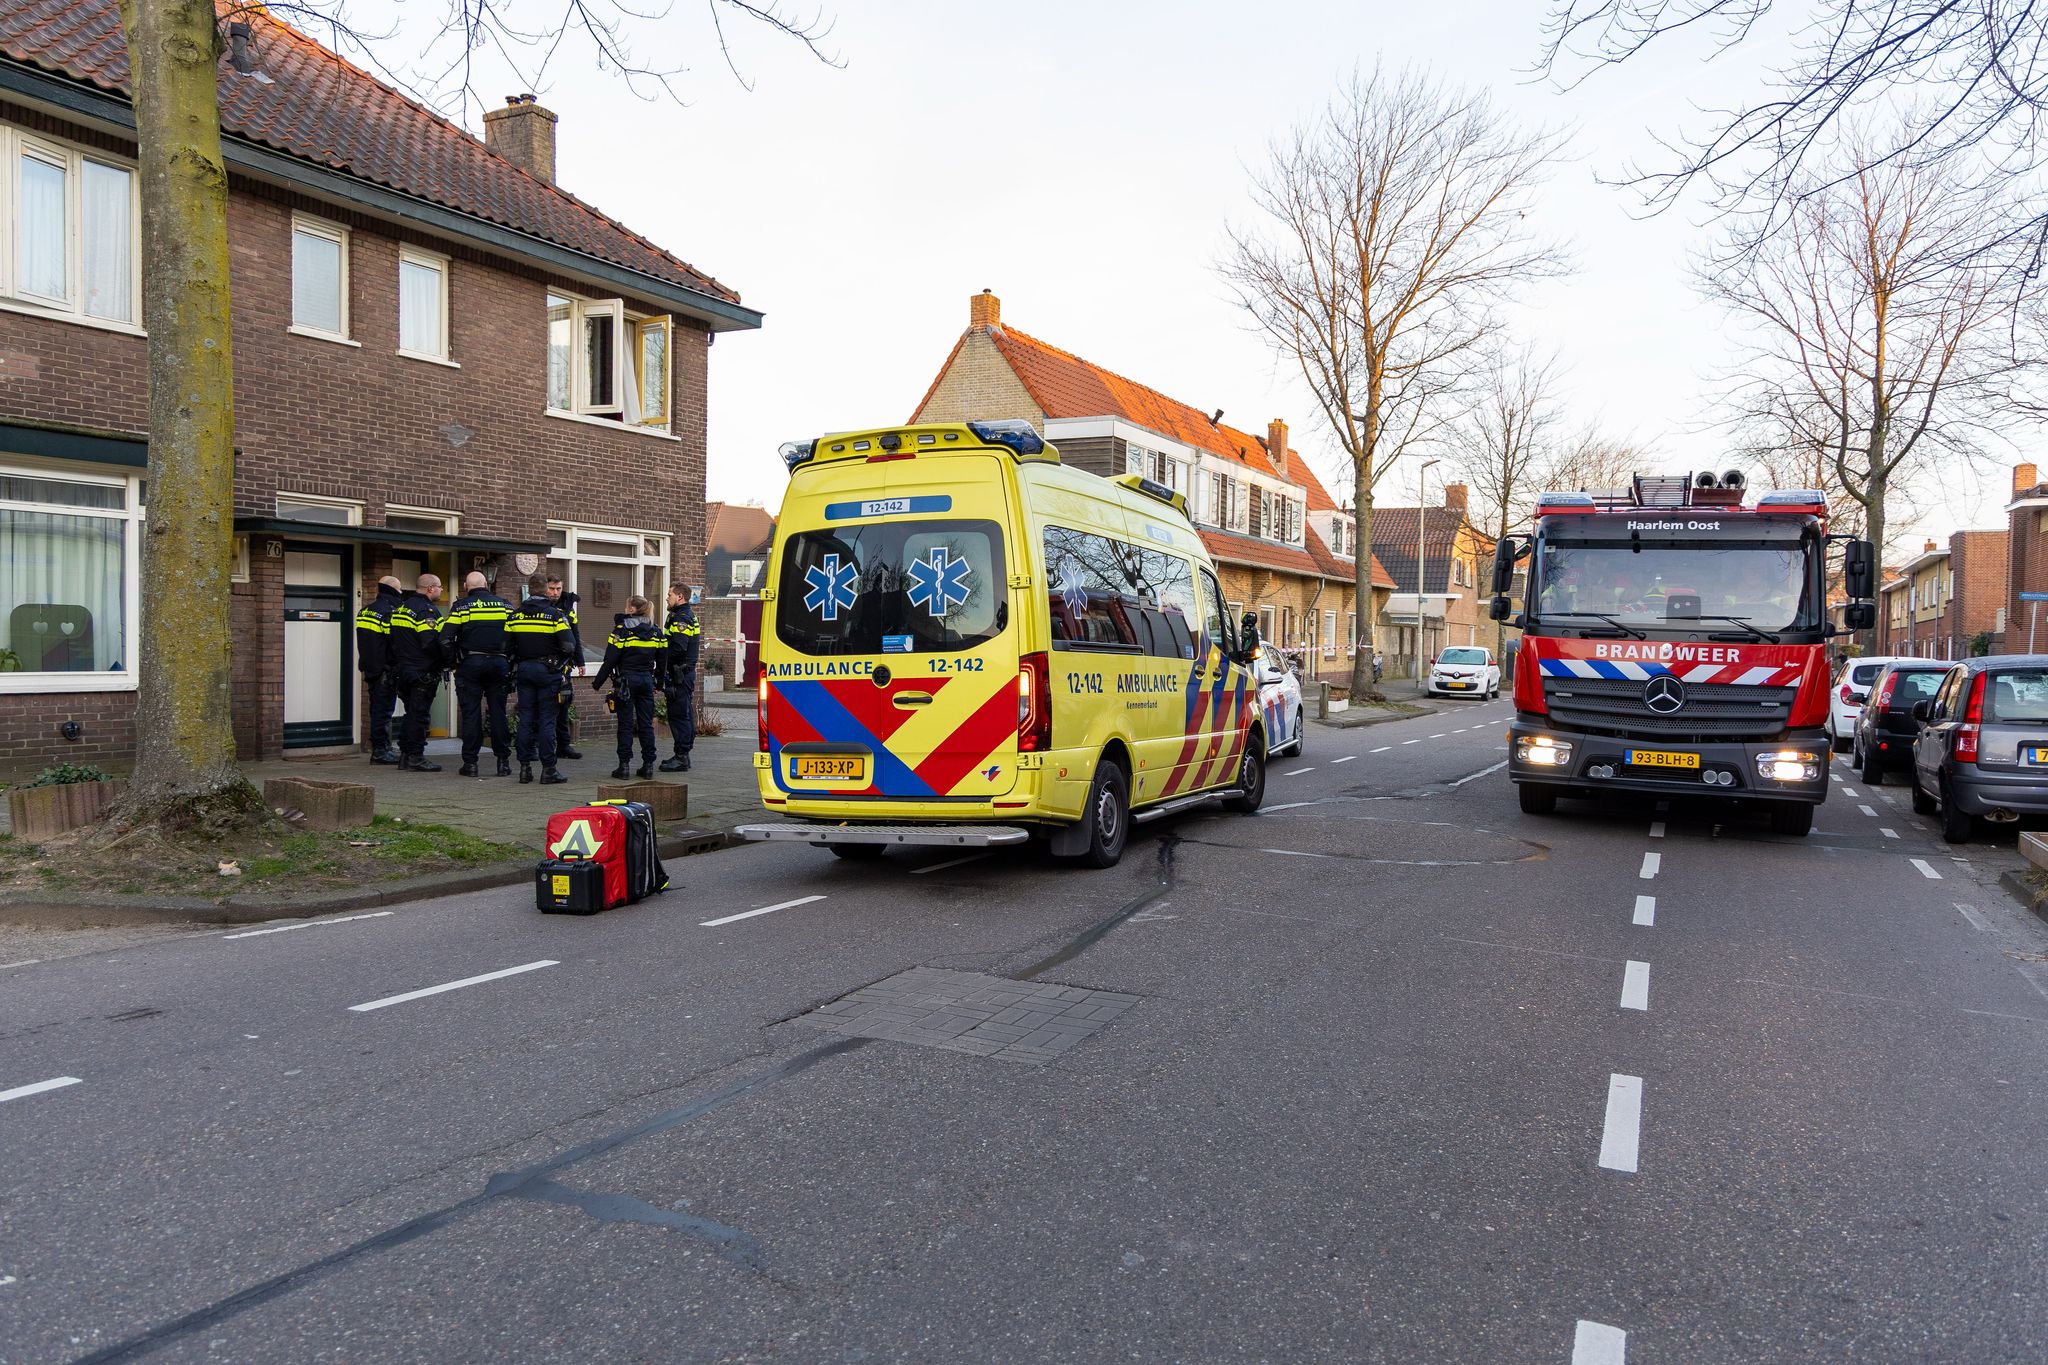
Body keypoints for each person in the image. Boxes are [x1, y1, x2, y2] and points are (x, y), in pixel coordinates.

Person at [440, 571, 514, 778]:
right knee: (498, 712)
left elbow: (445, 639)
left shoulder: (462, 607)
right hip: (499, 663)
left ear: (466, 586)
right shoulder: (505, 606)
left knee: (471, 714)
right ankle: (503, 763)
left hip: (470, 664)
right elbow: (516, 635)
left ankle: (470, 764)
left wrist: (451, 662)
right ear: (487, 584)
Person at [506, 577, 574, 784]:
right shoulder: (555, 616)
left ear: (529, 592)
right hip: (548, 671)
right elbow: (569, 646)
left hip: (524, 670)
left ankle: (524, 769)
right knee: (547, 720)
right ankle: (548, 769)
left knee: (526, 718)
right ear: (546, 591)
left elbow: (506, 647)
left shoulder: (514, 616)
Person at [590, 595, 666, 779]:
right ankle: (648, 766)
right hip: (646, 681)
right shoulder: (656, 631)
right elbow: (663, 661)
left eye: (626, 607)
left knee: (625, 724)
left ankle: (623, 767)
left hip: (626, 682)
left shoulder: (621, 630)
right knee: (646, 724)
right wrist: (659, 682)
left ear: (631, 609)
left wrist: (597, 682)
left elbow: (610, 659)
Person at [388, 573, 446, 772]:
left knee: (410, 713)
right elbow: (430, 641)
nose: (441, 590)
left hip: (403, 670)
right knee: (419, 715)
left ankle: (405, 755)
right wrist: (445, 660)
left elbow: (392, 640)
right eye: (439, 587)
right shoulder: (427, 611)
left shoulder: (401, 608)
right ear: (430, 588)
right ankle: (416, 757)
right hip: (422, 671)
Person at [354, 575, 404, 764]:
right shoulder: (390, 612)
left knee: (376, 709)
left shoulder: (365, 611)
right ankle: (381, 751)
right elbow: (393, 644)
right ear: (393, 590)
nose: (400, 594)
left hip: (370, 668)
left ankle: (381, 747)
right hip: (386, 669)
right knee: (383, 712)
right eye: (399, 590)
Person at [542, 576, 585, 759]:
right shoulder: (540, 607)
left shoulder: (568, 608)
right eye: (552, 588)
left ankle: (564, 745)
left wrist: (581, 662)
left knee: (563, 705)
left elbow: (575, 635)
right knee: (543, 707)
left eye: (558, 589)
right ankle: (541, 745)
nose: (555, 593)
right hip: (544, 664)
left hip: (563, 666)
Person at [660, 584, 701, 772]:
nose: (667, 598)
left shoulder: (681, 617)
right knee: (683, 713)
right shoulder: (686, 614)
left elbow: (678, 647)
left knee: (678, 715)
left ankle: (682, 756)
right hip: (683, 673)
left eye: (670, 595)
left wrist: (661, 660)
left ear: (680, 596)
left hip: (679, 674)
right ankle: (683, 754)